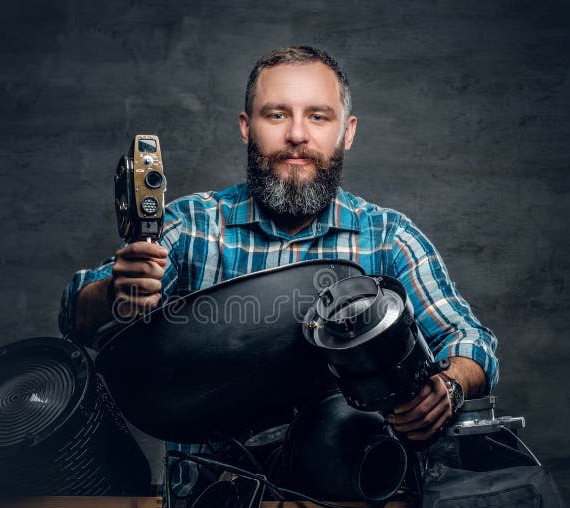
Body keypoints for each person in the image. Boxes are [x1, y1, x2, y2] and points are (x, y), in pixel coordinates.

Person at [59, 45, 498, 463]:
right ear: (247, 126)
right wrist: (118, 292)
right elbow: (78, 316)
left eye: (318, 116)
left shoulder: (389, 238)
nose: (297, 135)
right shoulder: (190, 225)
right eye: (277, 114)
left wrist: (450, 385)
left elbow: (472, 342)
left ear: (347, 133)